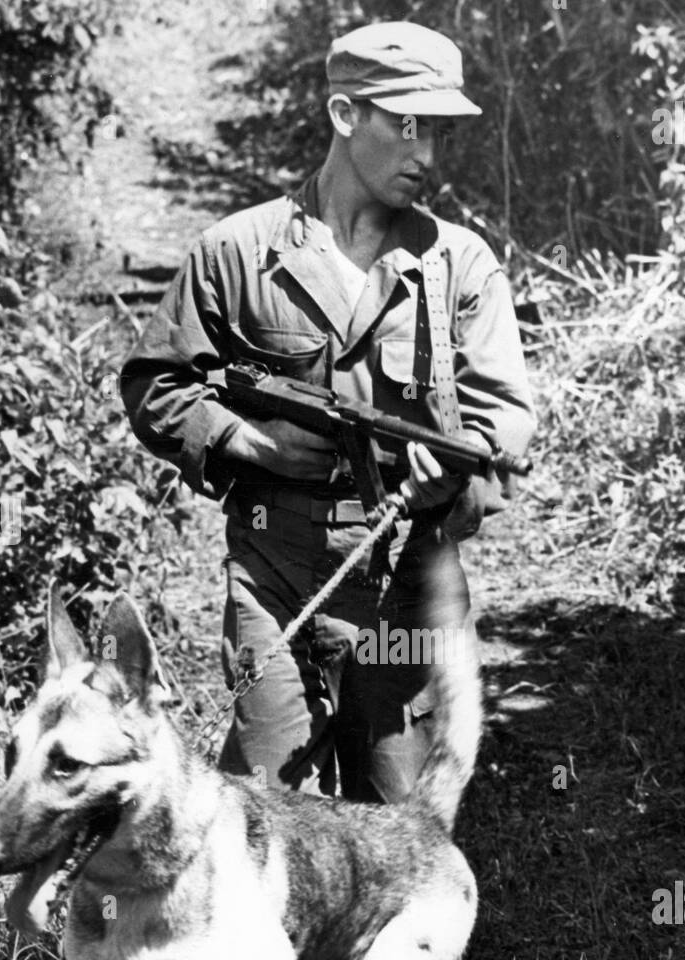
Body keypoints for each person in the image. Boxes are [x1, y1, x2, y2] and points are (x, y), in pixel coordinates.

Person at [121, 20, 536, 803]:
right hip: (272, 576)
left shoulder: (459, 266)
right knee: (268, 824)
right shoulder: (236, 253)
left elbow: (503, 419)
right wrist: (245, 442)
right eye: (407, 125)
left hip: (401, 579)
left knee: (393, 831)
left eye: (438, 133)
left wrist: (452, 471)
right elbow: (155, 383)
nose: (427, 156)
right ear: (346, 115)